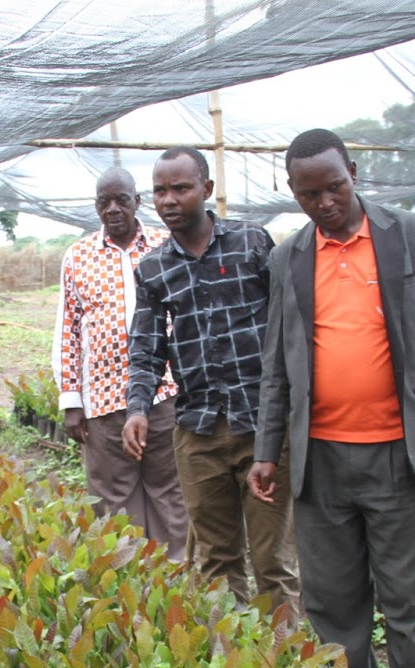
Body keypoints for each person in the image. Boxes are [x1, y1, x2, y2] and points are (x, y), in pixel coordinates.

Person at [249, 129, 415, 668]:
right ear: (293, 193)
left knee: (412, 603)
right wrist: (265, 449)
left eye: (335, 187)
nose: (326, 203)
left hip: (398, 455)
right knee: (332, 604)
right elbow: (277, 362)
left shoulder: (411, 236)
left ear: (353, 172)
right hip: (319, 460)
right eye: (309, 195)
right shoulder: (288, 257)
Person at [124, 147, 299, 608]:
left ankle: (284, 667)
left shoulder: (251, 244)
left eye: (180, 188)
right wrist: (138, 408)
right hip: (198, 430)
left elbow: (290, 325)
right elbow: (146, 345)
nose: (169, 199)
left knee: (272, 561)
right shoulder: (154, 268)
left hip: (263, 427)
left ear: (207, 189)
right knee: (216, 561)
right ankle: (236, 666)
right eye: (160, 190)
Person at [53, 168, 189, 558]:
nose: (112, 209)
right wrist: (71, 399)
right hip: (103, 398)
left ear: (137, 202)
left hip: (165, 392)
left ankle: (175, 579)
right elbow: (68, 330)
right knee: (113, 496)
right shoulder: (78, 256)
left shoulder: (167, 244)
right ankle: (129, 581)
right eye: (103, 202)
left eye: (121, 200)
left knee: (169, 491)